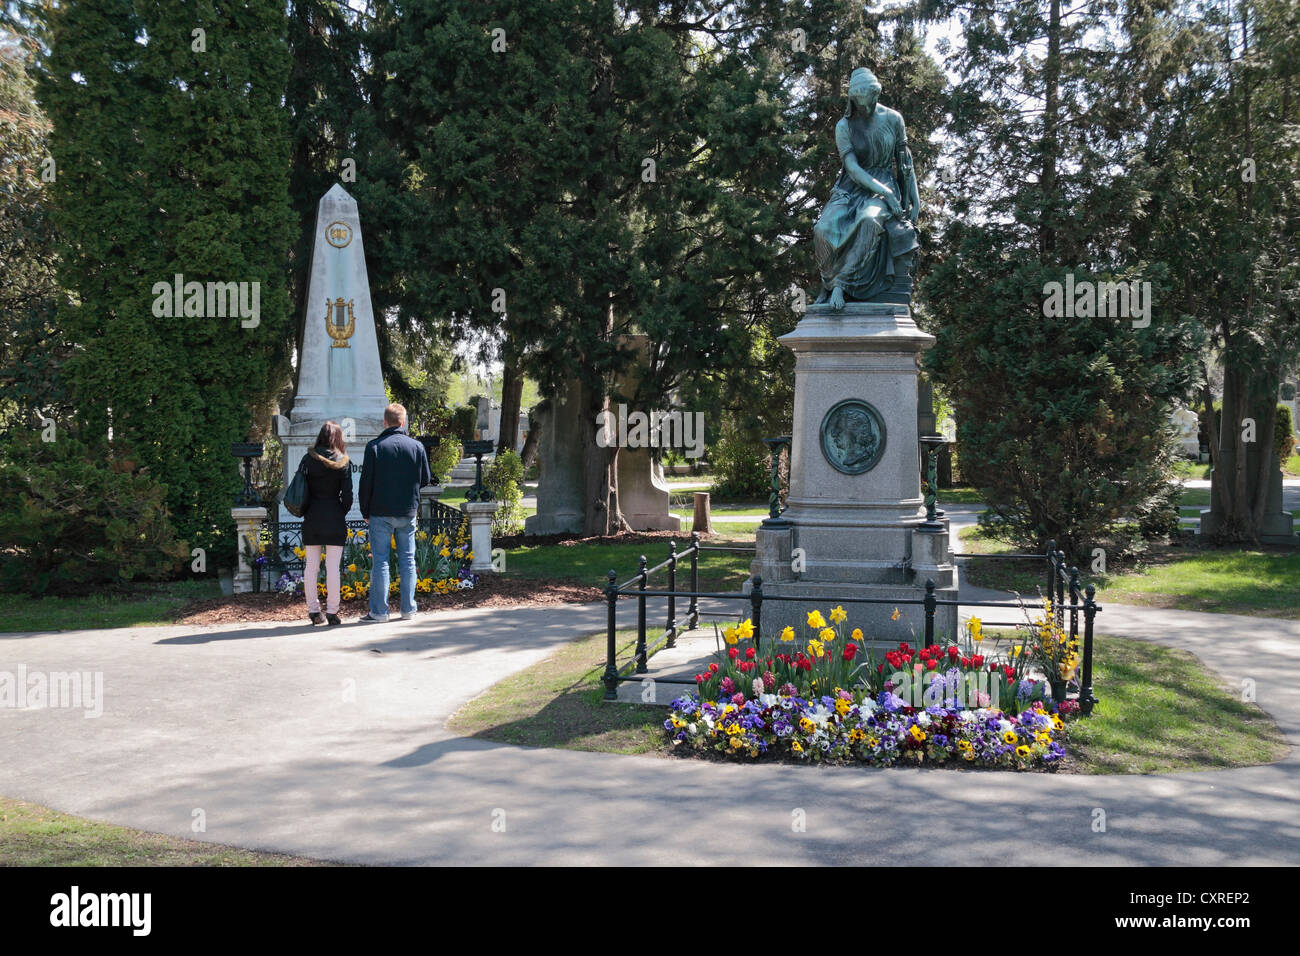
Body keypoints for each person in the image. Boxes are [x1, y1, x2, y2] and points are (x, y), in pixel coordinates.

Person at [812, 67, 920, 309]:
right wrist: (885, 192)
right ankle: (829, 284)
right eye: (859, 105)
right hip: (852, 187)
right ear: (852, 100)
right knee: (823, 228)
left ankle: (842, 284)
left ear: (876, 95)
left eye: (869, 103)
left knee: (869, 220)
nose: (865, 109)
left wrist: (914, 199)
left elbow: (904, 163)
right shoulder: (844, 126)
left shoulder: (893, 119)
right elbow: (851, 167)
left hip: (882, 183)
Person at [358, 403, 431, 622]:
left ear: (385, 422)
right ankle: (408, 609)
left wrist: (365, 510)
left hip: (380, 511)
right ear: (403, 422)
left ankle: (379, 612)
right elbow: (425, 478)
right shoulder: (416, 446)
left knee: (381, 561)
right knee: (407, 560)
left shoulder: (375, 446)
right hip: (407, 511)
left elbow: (366, 483)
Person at [301, 421, 353, 625]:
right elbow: (348, 496)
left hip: (312, 514)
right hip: (334, 516)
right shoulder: (343, 461)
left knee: (311, 566)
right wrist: (340, 510)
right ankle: (332, 611)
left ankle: (314, 611)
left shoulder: (308, 459)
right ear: (338, 438)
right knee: (333, 567)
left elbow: (300, 488)